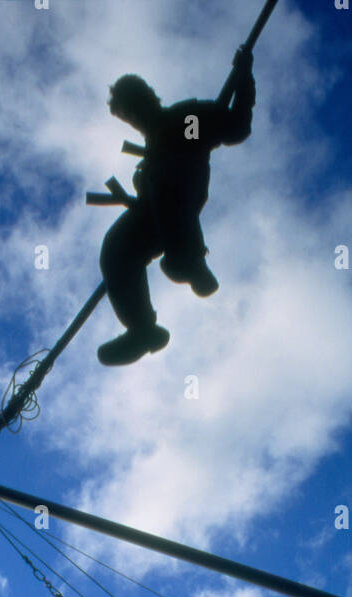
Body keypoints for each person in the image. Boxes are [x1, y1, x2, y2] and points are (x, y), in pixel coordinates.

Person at [96, 48, 256, 366]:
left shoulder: (184, 120)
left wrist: (243, 77)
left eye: (133, 110)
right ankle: (142, 329)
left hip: (180, 192)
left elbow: (236, 126)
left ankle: (188, 259)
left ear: (148, 98)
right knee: (115, 247)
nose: (134, 120)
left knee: (162, 177)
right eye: (128, 117)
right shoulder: (151, 154)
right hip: (156, 213)